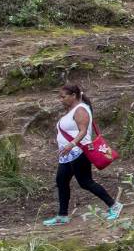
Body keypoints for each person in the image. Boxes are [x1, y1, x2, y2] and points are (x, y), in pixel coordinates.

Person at [46, 84, 123, 225]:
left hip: (79, 152)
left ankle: (114, 205)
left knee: (86, 182)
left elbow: (82, 131)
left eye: (63, 97)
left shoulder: (81, 110)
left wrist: (72, 144)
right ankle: (62, 215)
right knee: (61, 181)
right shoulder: (72, 111)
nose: (60, 100)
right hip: (67, 155)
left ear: (73, 95)